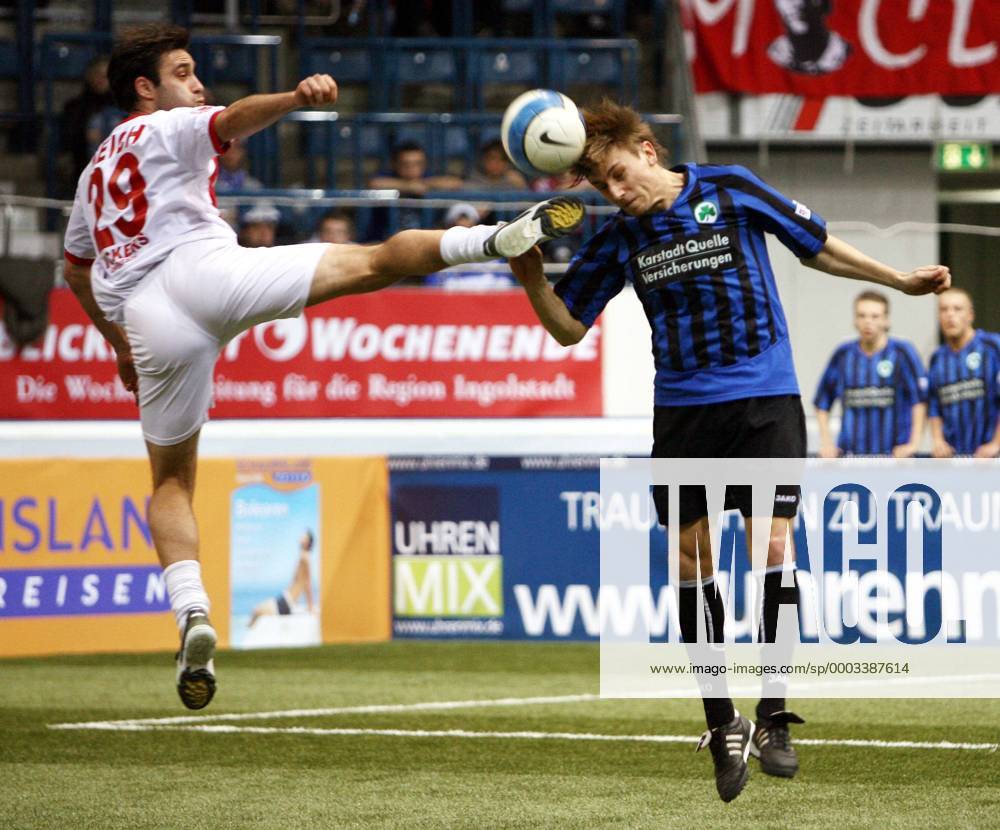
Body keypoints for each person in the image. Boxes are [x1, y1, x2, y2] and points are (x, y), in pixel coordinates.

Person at [61, 23, 586, 711]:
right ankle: (490, 238)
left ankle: (191, 611)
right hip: (204, 270)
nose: (196, 82)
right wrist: (294, 95)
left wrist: (118, 345)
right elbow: (231, 120)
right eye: (183, 71)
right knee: (368, 263)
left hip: (146, 318)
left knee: (170, 481)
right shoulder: (170, 124)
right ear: (144, 87)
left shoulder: (93, 171)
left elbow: (75, 271)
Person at [505, 99, 950, 802]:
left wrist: (897, 281)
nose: (618, 193)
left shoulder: (732, 188)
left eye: (620, 175)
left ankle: (774, 715)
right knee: (691, 560)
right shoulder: (622, 237)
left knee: (773, 548)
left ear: (647, 150)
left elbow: (819, 244)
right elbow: (567, 328)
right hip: (683, 411)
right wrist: (529, 276)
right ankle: (722, 722)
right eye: (603, 188)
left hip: (763, 399)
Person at [814, 291, 928, 457]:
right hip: (851, 458)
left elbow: (920, 400)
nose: (868, 322)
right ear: (855, 320)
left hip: (895, 459)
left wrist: (913, 444)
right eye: (862, 315)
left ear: (886, 320)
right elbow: (821, 402)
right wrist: (827, 444)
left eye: (875, 316)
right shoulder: (843, 354)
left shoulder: (902, 352)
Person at [927, 287, 1000, 458]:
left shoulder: (993, 347)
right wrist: (938, 441)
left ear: (970, 315)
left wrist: (996, 444)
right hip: (954, 460)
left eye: (957, 309)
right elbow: (934, 406)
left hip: (992, 458)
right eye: (944, 310)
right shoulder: (937, 358)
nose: (950, 315)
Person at [248, 530, 316, 626]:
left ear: (308, 542)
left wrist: (310, 607)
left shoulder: (305, 558)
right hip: (285, 598)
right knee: (256, 611)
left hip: (287, 602)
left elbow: (307, 584)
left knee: (256, 611)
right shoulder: (303, 556)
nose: (301, 537)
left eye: (304, 537)